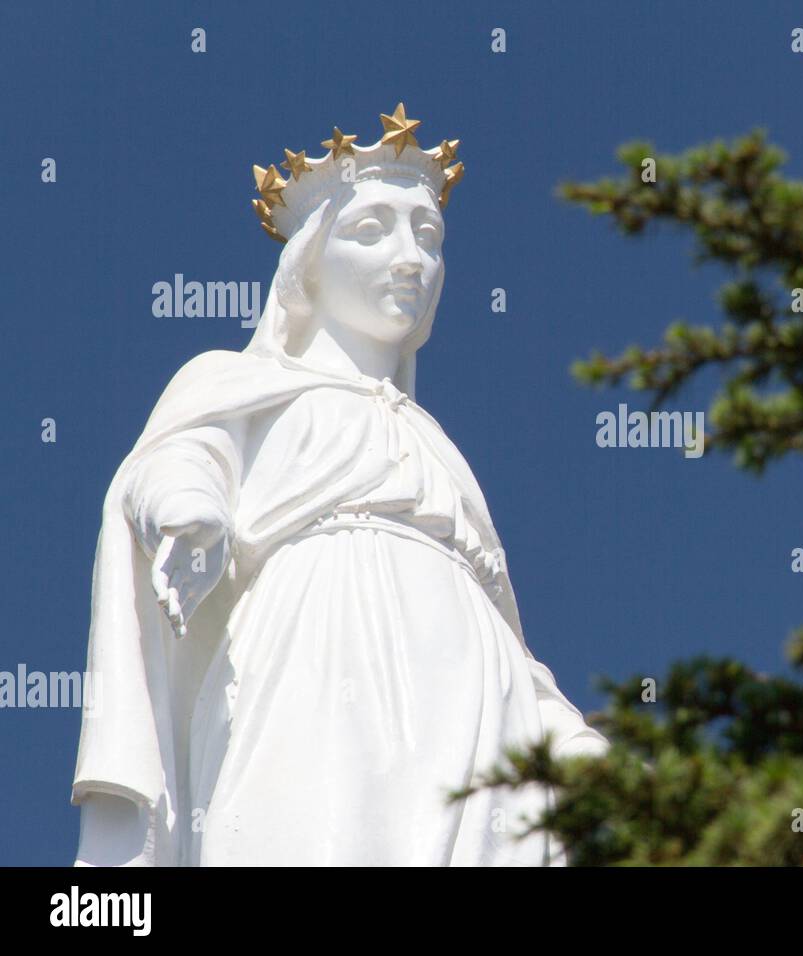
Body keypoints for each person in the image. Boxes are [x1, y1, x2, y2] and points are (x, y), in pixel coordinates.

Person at [72, 105, 608, 866]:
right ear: (309, 263)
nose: (410, 259)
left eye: (428, 236)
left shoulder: (438, 449)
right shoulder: (233, 382)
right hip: (316, 649)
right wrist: (188, 511)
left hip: (476, 697)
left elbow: (505, 635)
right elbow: (174, 461)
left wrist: (573, 745)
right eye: (373, 230)